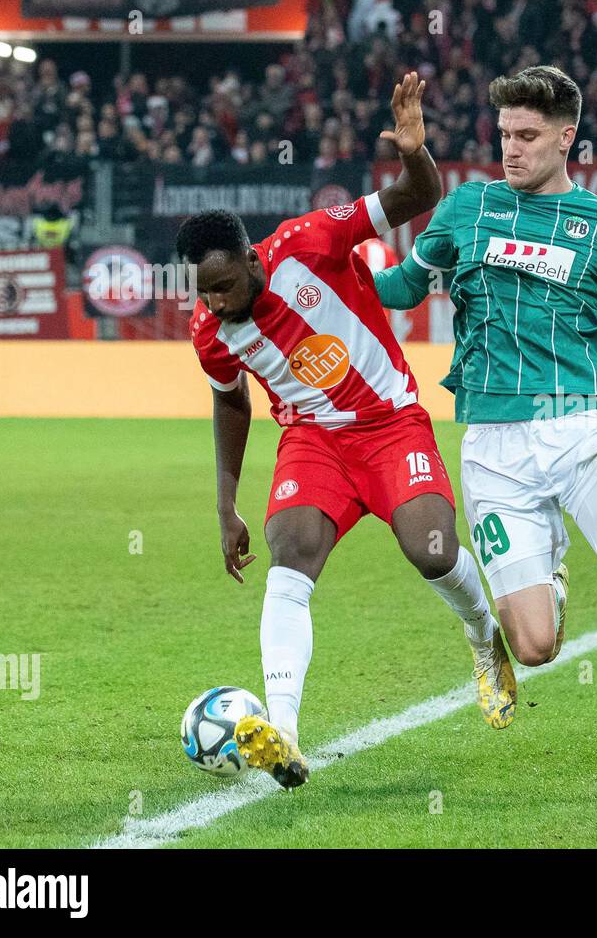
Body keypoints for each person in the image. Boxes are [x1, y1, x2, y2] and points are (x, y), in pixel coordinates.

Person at [372, 65, 597, 795]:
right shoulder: (466, 209)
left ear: (567, 138)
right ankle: (527, 602)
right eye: (504, 133)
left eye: (528, 136)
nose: (511, 148)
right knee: (536, 646)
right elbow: (401, 290)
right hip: (495, 445)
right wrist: (309, 276)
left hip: (584, 426)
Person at [182, 74, 509, 791]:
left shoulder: (311, 241)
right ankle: (284, 734)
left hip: (389, 422)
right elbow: (231, 404)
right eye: (203, 292)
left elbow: (416, 198)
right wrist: (225, 501)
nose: (215, 302)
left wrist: (416, 154)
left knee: (431, 550)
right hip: (313, 440)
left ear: (251, 259)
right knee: (290, 554)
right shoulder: (211, 330)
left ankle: (486, 639)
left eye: (224, 287)